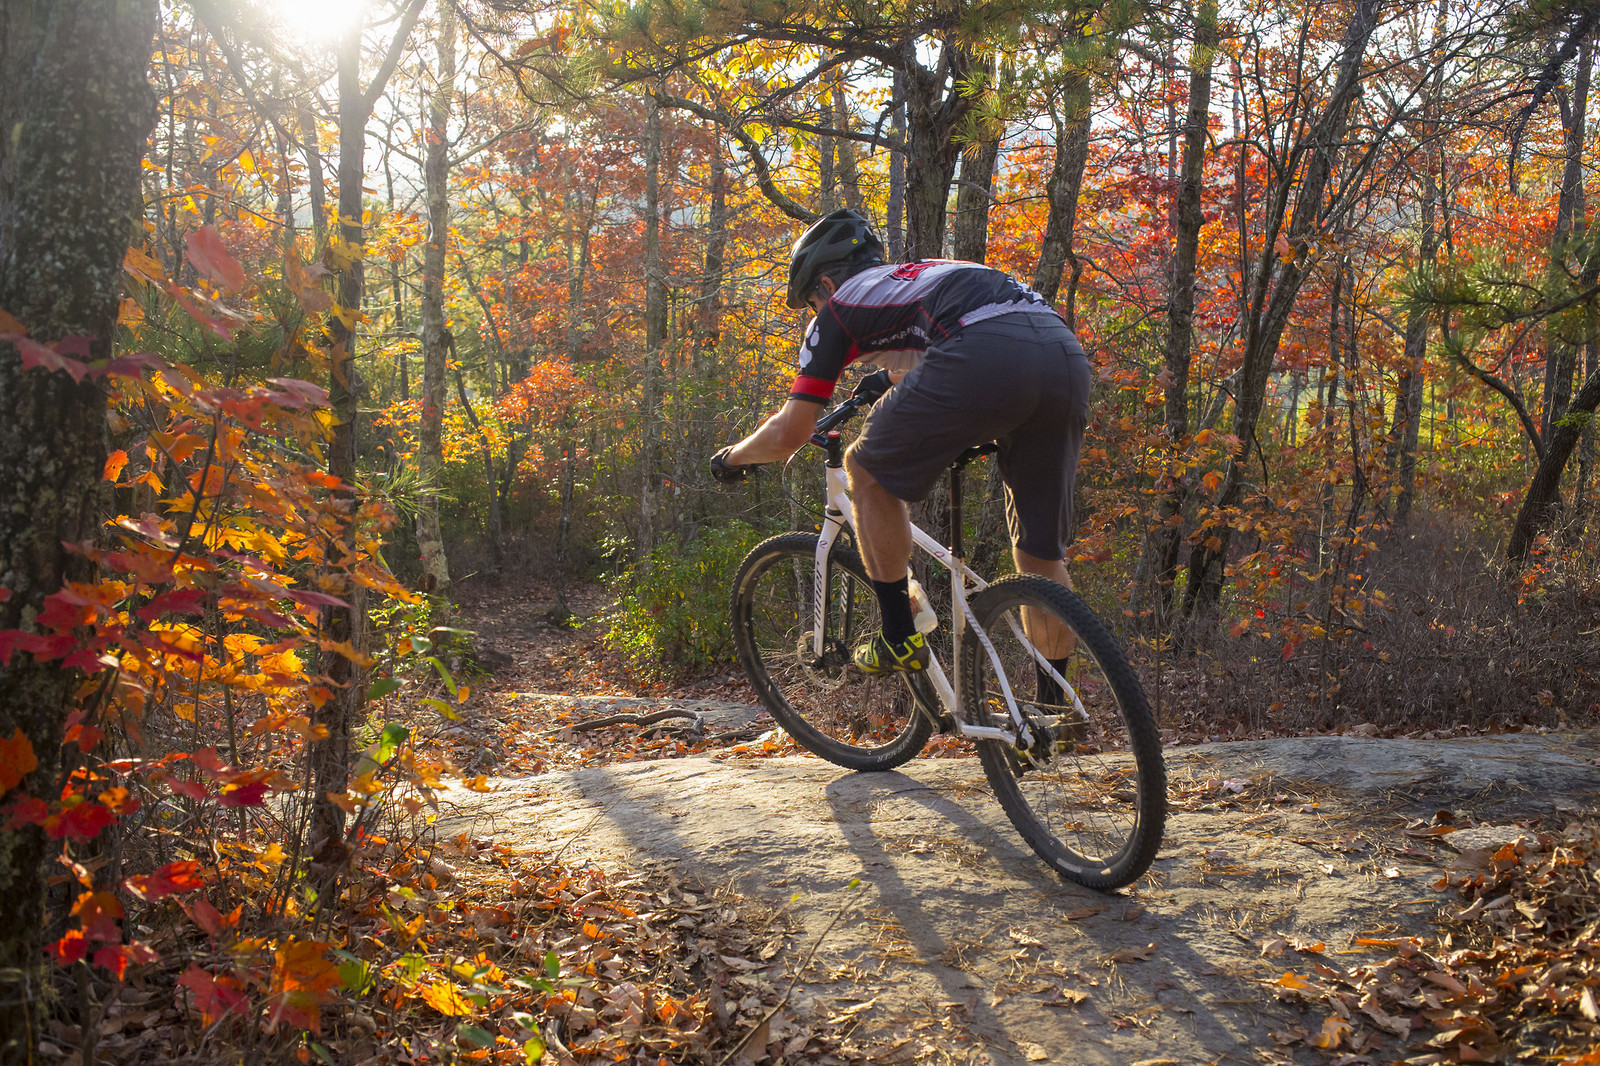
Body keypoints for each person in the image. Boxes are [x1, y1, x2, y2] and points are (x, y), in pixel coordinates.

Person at [711, 209, 1091, 696]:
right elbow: (976, 331)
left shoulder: (838, 307)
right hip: (1062, 355)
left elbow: (790, 431)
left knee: (863, 469)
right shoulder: (929, 273)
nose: (814, 311)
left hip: (986, 354)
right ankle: (1052, 707)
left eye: (810, 301)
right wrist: (885, 379)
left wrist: (731, 458)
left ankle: (897, 633)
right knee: (1038, 554)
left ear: (825, 284)